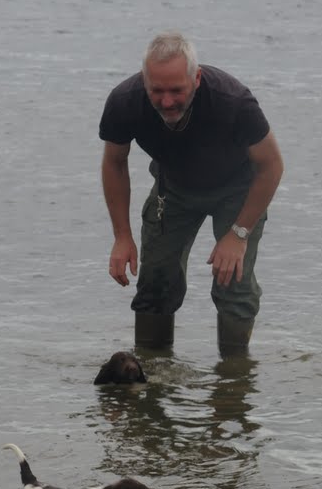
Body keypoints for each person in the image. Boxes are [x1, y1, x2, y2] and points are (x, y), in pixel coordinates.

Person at [99, 32, 284, 355]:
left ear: (196, 79)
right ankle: (151, 381)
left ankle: (232, 384)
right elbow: (115, 162)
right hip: (174, 188)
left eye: (176, 90)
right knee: (155, 282)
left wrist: (238, 234)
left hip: (237, 191)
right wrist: (121, 235)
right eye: (157, 90)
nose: (167, 101)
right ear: (144, 81)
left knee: (233, 285)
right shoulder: (124, 101)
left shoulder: (234, 101)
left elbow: (272, 166)